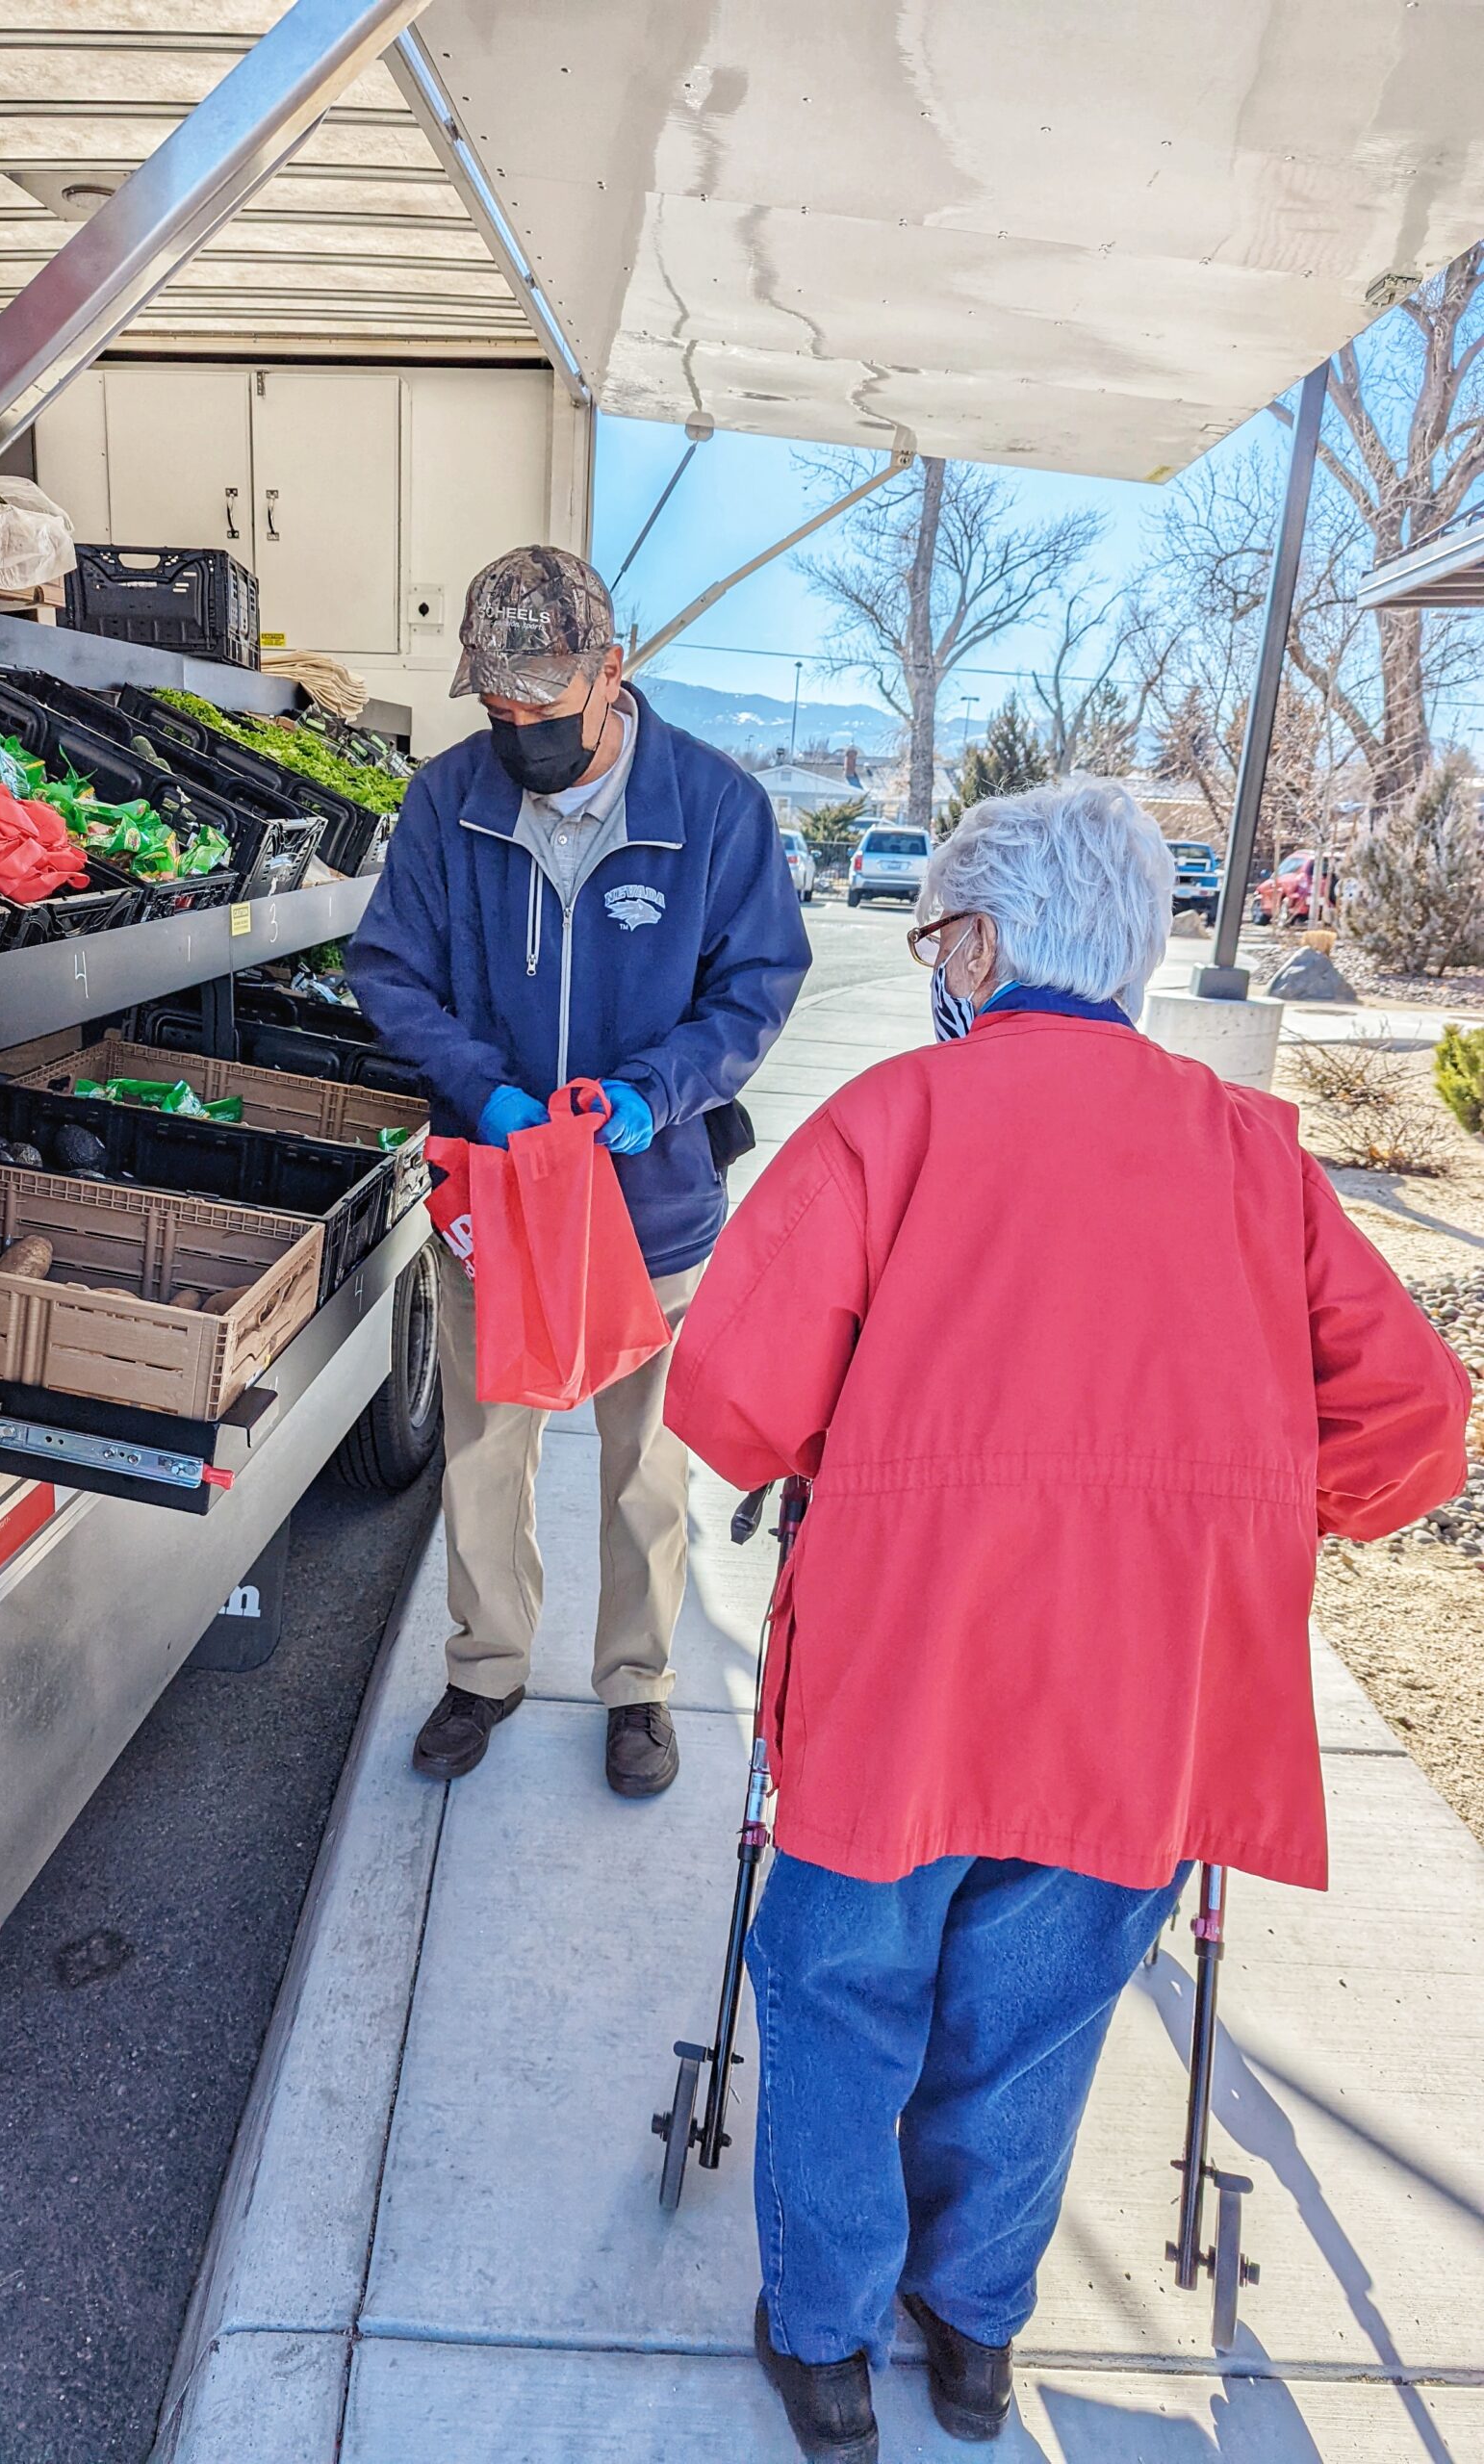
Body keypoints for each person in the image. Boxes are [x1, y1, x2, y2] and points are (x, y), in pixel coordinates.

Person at [665, 780, 1469, 2459]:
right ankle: (971, 2335)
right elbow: (1412, 1420)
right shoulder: (1253, 1156)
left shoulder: (898, 1117)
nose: (934, 961)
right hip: (1145, 1692)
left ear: (984, 938)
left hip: (909, 1673)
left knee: (840, 1994)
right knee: (1030, 2027)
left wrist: (850, 1449)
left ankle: (823, 2345)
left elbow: (733, 1395)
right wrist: (1239, 1507)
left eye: (938, 930)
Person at [349, 546, 811, 1797]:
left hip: (653, 1212)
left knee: (644, 1470)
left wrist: (658, 1092)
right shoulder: (448, 802)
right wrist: (481, 1087)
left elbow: (758, 985)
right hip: (497, 1209)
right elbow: (388, 969)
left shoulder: (713, 809)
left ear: (615, 671)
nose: (518, 735)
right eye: (498, 713)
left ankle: (637, 1687)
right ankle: (486, 1666)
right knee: (485, 1455)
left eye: (542, 713)